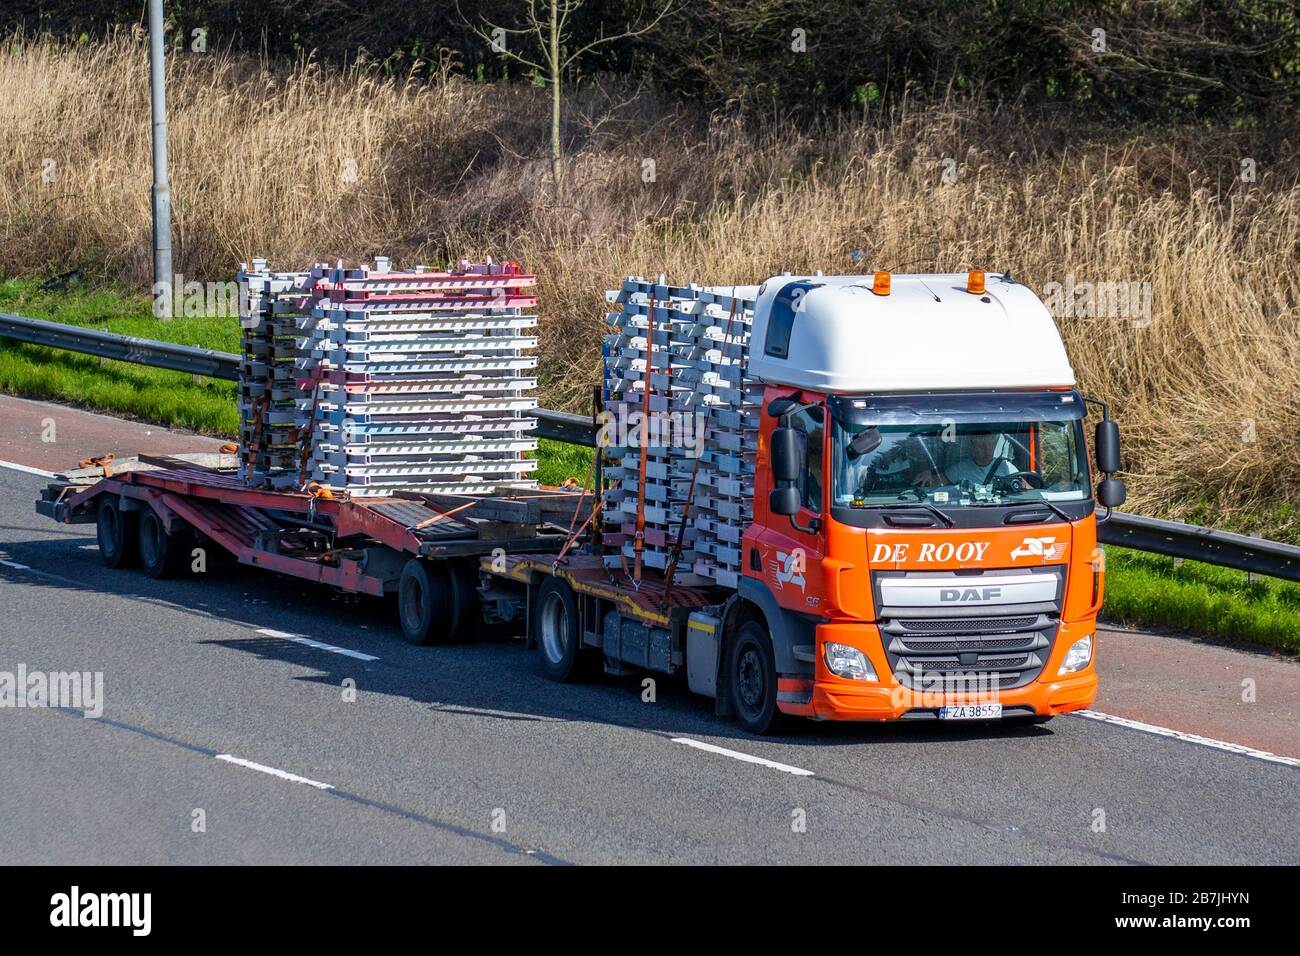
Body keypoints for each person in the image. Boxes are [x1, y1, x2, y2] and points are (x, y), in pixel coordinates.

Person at [913, 430, 1016, 487]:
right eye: (981, 446)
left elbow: (1028, 491)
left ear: (993, 446)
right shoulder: (962, 468)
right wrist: (929, 475)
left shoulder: (1006, 467)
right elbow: (939, 481)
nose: (986, 450)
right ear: (972, 448)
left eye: (988, 445)